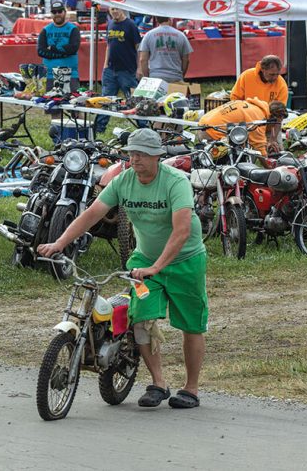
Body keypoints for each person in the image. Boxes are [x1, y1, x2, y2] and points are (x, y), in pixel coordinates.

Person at [38, 127, 208, 410]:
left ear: (157, 156)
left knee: (191, 325)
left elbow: (181, 231)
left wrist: (158, 266)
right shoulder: (124, 181)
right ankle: (158, 382)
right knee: (140, 318)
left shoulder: (176, 182)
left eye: (142, 153)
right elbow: (93, 213)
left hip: (185, 261)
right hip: (144, 262)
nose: (135, 159)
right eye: (131, 153)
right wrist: (60, 242)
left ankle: (191, 388)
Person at [95, 7, 141, 134]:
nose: (114, 11)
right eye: (112, 9)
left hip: (127, 70)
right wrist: (105, 65)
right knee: (106, 101)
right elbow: (108, 46)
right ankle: (99, 129)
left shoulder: (130, 25)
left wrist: (139, 68)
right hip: (110, 70)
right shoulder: (110, 24)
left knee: (134, 101)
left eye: (116, 9)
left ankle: (143, 128)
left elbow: (138, 48)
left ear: (122, 9)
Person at [198, 98, 288, 156]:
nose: (273, 128)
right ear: (276, 117)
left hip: (203, 124)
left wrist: (272, 140)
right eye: (274, 125)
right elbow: (259, 148)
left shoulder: (256, 107)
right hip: (211, 131)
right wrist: (270, 170)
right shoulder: (259, 117)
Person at [36, 1, 80, 93]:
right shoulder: (45, 30)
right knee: (51, 105)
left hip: (70, 75)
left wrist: (52, 48)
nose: (57, 14)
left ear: (65, 12)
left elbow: (73, 48)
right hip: (49, 76)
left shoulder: (73, 29)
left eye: (60, 11)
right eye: (54, 12)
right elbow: (40, 51)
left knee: (72, 105)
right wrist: (63, 52)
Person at [138, 16, 191, 83]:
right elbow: (186, 60)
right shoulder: (181, 35)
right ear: (170, 19)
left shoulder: (148, 35)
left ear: (157, 20)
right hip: (175, 76)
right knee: (175, 94)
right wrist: (181, 75)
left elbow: (143, 59)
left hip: (155, 76)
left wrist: (147, 77)